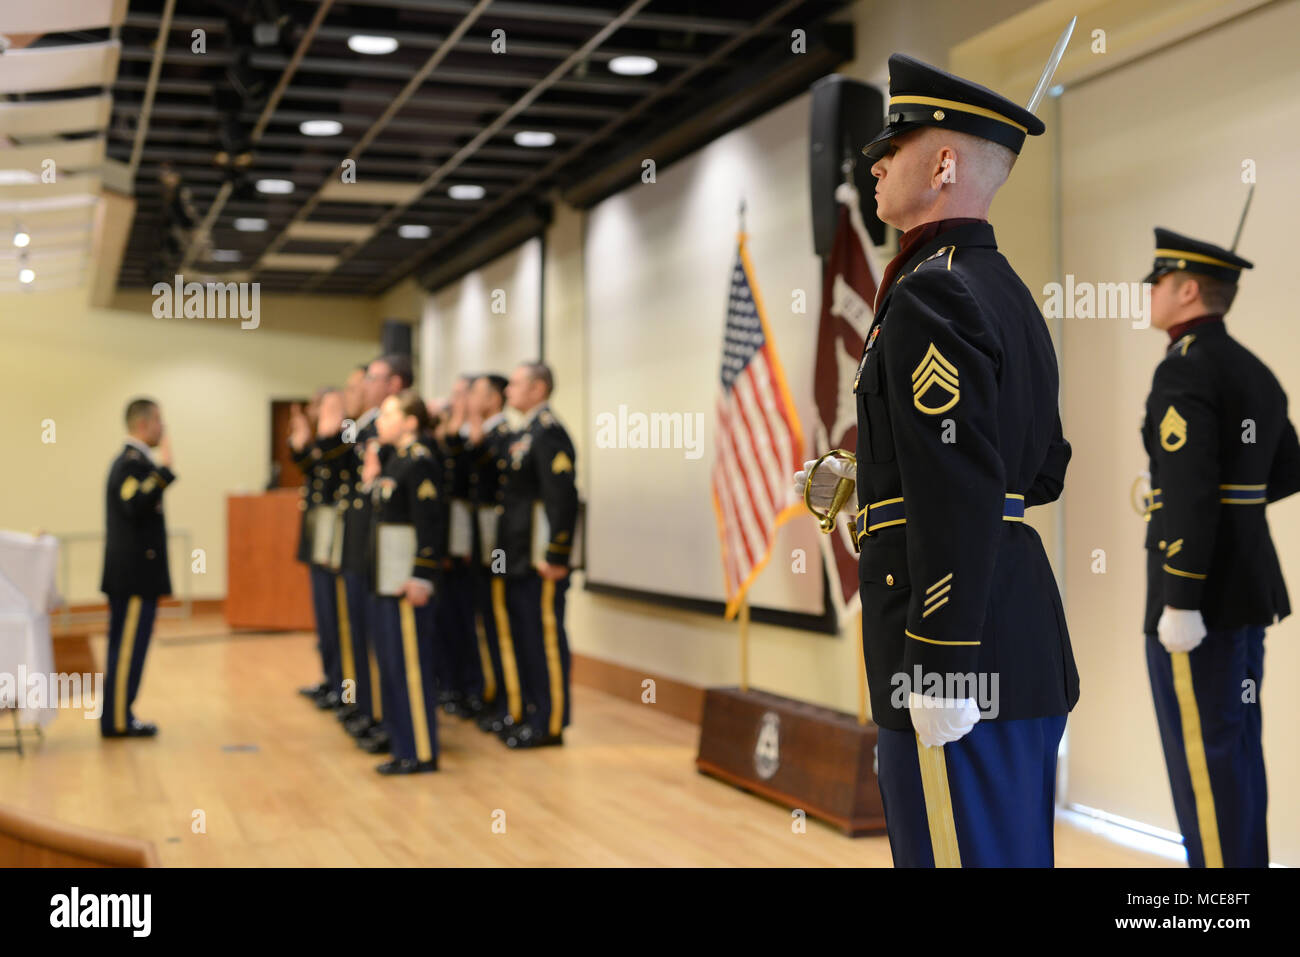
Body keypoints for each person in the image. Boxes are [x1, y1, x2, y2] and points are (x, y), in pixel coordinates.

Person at [795, 54, 1076, 866]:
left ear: (944, 163)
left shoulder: (930, 290)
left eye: (897, 143)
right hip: (1011, 637)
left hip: (959, 651)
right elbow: (1039, 469)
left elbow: (959, 486)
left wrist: (944, 662)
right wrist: (875, 489)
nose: (876, 160)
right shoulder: (1002, 288)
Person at [1138, 227, 1300, 867]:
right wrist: (1235, 502)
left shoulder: (1184, 370)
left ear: (1187, 290)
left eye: (1157, 282)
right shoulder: (1251, 367)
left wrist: (1179, 594)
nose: (1148, 293)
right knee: (1235, 754)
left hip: (1197, 602)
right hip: (1246, 588)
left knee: (1203, 767)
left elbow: (1190, 489)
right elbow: (1286, 471)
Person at [494, 362, 579, 749]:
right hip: (518, 556)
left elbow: (561, 499)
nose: (508, 390)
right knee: (525, 638)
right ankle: (529, 713)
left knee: (544, 641)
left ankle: (550, 722)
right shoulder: (524, 433)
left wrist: (556, 554)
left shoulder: (548, 433)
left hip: (541, 561)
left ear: (539, 388)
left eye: (515, 384)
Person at [364, 388, 447, 774]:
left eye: (389, 415)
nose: (380, 422)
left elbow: (430, 523)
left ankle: (421, 751)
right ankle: (402, 747)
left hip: (406, 583)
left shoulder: (419, 462)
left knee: (410, 667)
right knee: (392, 666)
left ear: (411, 422)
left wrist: (421, 575)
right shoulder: (395, 460)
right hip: (387, 581)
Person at [340, 354, 413, 754]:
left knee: (386, 645)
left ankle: (388, 718)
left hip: (388, 556)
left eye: (372, 379)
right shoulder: (366, 428)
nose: (365, 387)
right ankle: (369, 710)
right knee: (364, 636)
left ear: (395, 384)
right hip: (366, 548)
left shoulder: (398, 441)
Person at [100, 397, 177, 738]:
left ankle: (121, 714)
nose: (164, 428)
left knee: (131, 648)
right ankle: (117, 719)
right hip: (132, 578)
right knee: (127, 649)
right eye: (159, 421)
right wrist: (164, 472)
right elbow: (134, 504)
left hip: (136, 577)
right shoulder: (129, 463)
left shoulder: (136, 462)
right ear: (144, 424)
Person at [433, 374, 490, 719]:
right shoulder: (448, 434)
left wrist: (459, 427)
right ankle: (450, 683)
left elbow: (469, 486)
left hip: (468, 539)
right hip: (448, 539)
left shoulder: (476, 436)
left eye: (460, 395)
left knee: (467, 622)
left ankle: (472, 688)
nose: (453, 401)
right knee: (448, 618)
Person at [290, 388, 349, 712]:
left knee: (338, 620)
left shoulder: (345, 439)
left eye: (327, 405)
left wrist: (324, 439)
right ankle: (331, 679)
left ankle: (343, 686)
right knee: (325, 618)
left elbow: (333, 476)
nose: (319, 412)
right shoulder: (327, 442)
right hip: (320, 537)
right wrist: (302, 443)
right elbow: (314, 472)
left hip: (336, 540)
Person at [466, 373, 518, 735]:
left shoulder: (504, 437)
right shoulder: (487, 435)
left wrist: (472, 431)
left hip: (498, 547)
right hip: (481, 544)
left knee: (502, 627)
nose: (471, 399)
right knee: (485, 624)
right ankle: (491, 695)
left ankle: (508, 702)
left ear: (496, 399)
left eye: (478, 393)